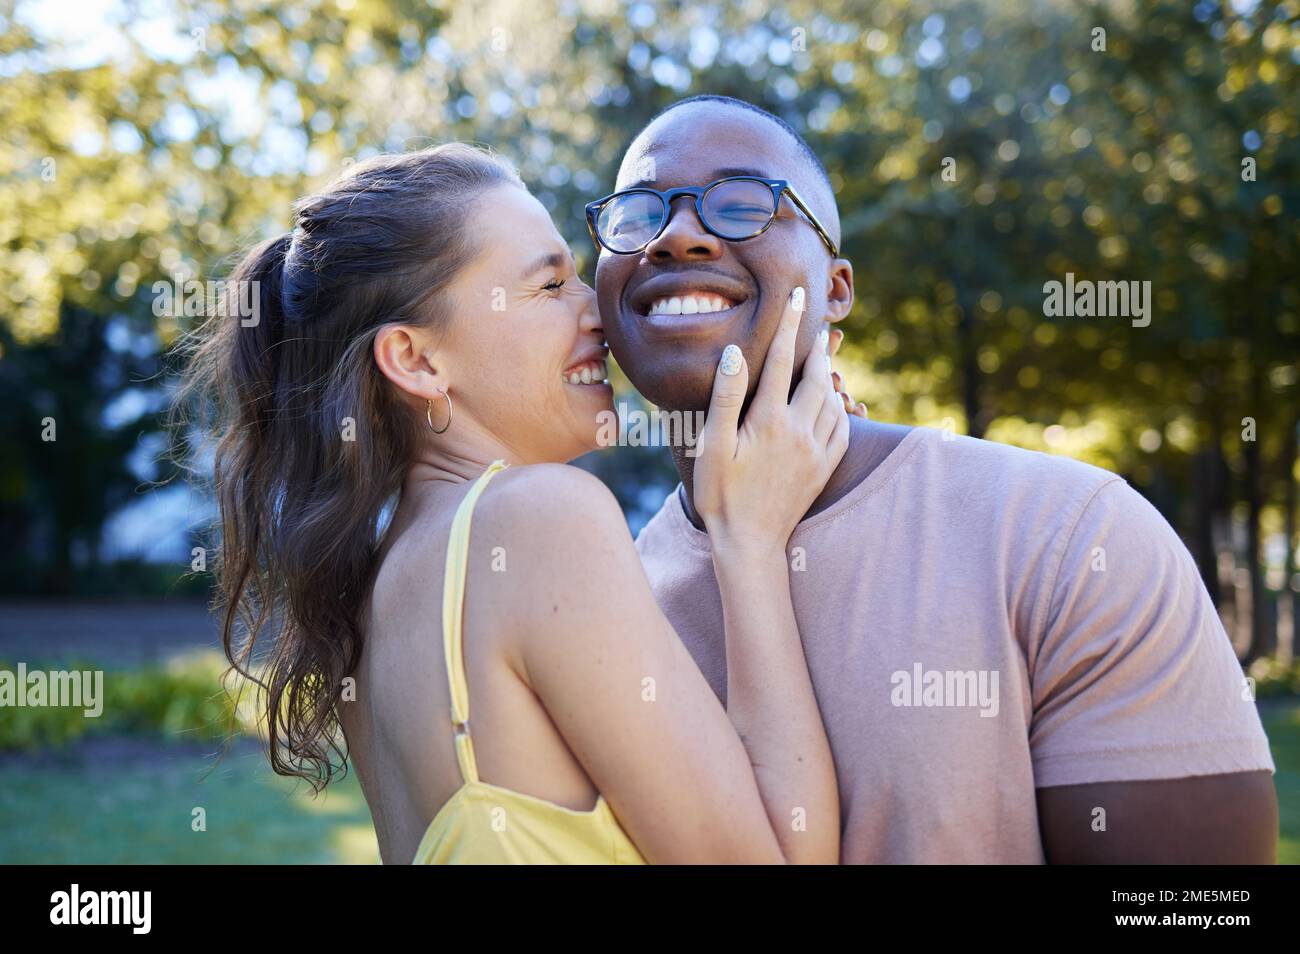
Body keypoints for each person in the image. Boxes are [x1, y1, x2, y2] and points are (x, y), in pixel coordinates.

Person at [591, 94, 1278, 863]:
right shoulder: (602, 611)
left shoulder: (1071, 533)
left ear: (837, 289)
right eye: (637, 211)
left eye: (745, 203)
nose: (677, 235)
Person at [179, 143, 858, 864]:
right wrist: (747, 539)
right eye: (548, 285)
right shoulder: (537, 518)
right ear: (416, 360)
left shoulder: (379, 598)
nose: (597, 308)